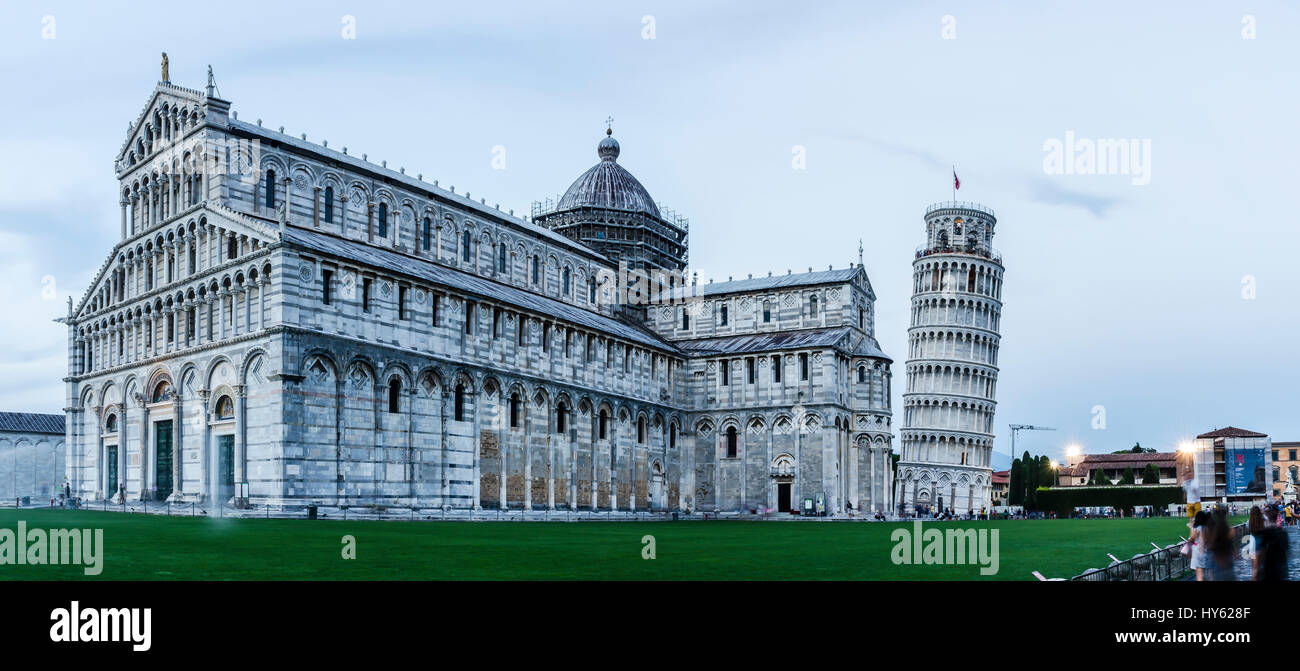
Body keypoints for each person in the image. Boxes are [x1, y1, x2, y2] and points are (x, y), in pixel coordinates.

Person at [1254, 505, 1290, 581]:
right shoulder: (1283, 533)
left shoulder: (1264, 533)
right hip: (1282, 571)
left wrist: (1255, 573)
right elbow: (1287, 553)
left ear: (1267, 516)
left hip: (1269, 571)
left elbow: (1260, 554)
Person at [1205, 507, 1236, 581]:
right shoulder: (1229, 530)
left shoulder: (1211, 529)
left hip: (1217, 568)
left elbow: (1209, 546)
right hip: (1228, 568)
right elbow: (1235, 553)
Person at [1189, 510, 1210, 581]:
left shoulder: (1198, 528)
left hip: (1198, 552)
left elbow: (1192, 539)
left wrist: (1191, 528)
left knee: (1199, 575)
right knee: (1206, 574)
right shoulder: (1207, 528)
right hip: (1206, 551)